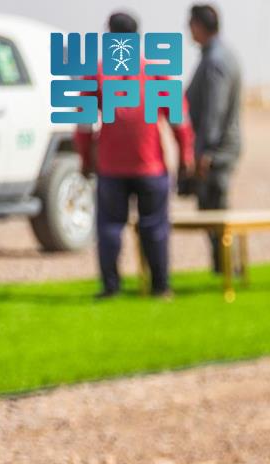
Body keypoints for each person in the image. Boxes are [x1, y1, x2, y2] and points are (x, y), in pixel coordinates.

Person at [74, 11, 194, 300]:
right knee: (155, 228)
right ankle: (160, 286)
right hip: (150, 164)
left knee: (109, 228)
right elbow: (179, 120)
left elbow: (83, 125)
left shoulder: (98, 73)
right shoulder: (154, 71)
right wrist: (186, 154)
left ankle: (111, 287)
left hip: (111, 166)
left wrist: (85, 160)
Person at [185, 4, 243, 275]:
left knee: (216, 211)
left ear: (199, 25)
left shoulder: (217, 59)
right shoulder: (217, 55)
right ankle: (224, 267)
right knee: (210, 209)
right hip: (218, 148)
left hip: (216, 152)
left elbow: (214, 111)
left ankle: (229, 268)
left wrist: (205, 153)